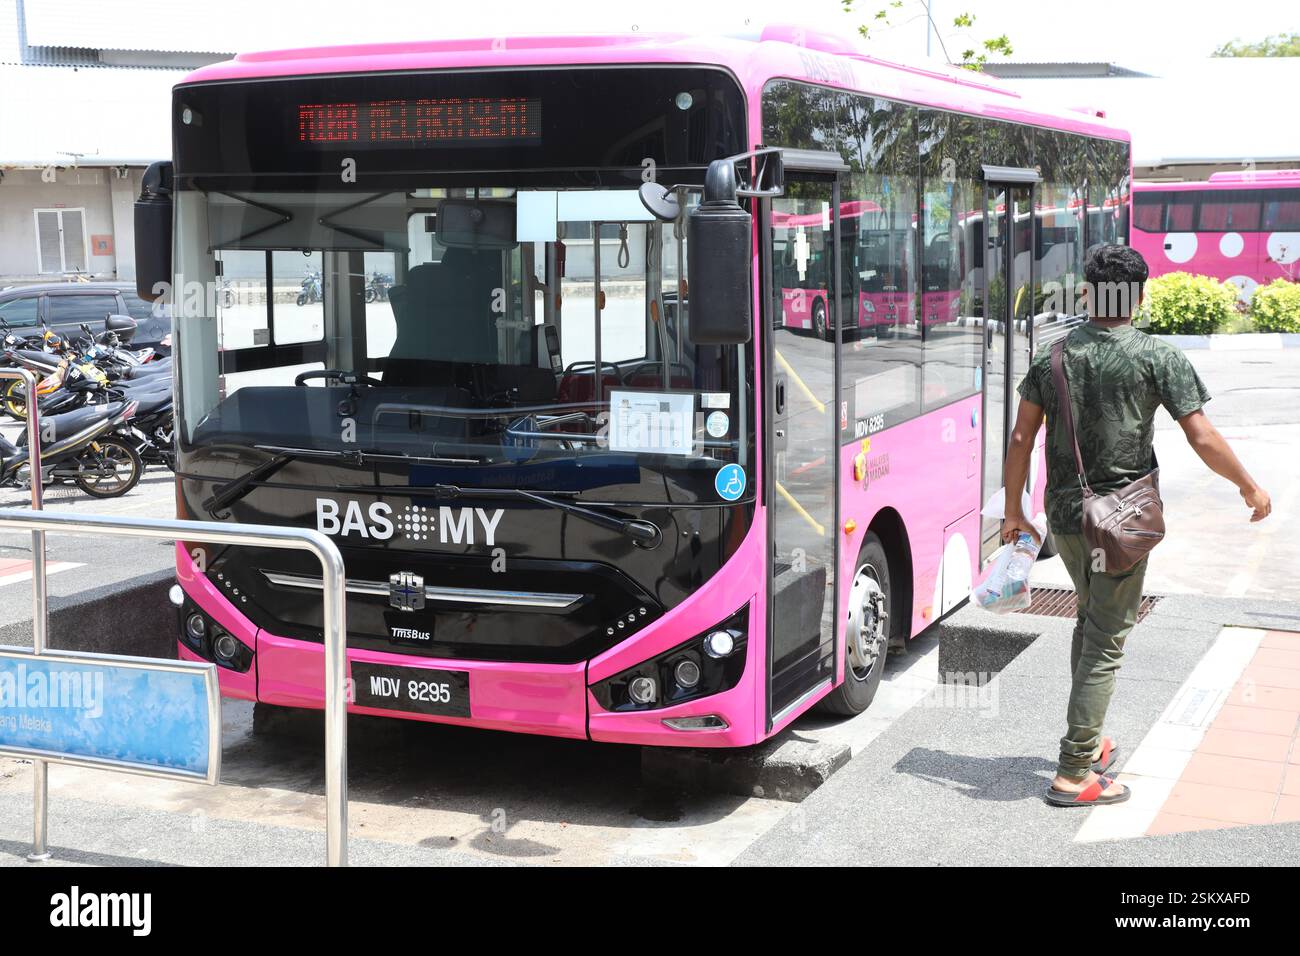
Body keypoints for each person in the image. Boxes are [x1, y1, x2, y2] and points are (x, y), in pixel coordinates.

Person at [1001, 244, 1271, 807]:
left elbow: (1022, 437)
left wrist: (1012, 512)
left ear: (1087, 293)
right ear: (1139, 295)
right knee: (1106, 639)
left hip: (1067, 516)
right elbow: (1201, 435)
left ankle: (1093, 743)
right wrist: (1247, 484)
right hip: (1122, 521)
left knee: (1089, 618)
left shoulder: (1052, 357)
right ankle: (1075, 771)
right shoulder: (1156, 356)